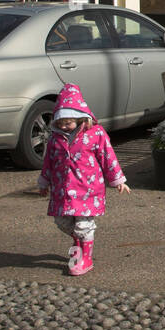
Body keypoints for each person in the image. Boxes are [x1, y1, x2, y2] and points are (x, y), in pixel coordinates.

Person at [38, 83, 130, 277]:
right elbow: (49, 162)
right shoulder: (56, 139)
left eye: (68, 122)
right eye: (60, 122)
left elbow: (108, 156)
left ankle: (85, 257)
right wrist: (44, 182)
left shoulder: (95, 134)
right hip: (62, 190)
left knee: (83, 225)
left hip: (88, 189)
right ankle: (79, 242)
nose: (64, 126)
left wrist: (118, 180)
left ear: (80, 118)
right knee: (62, 221)